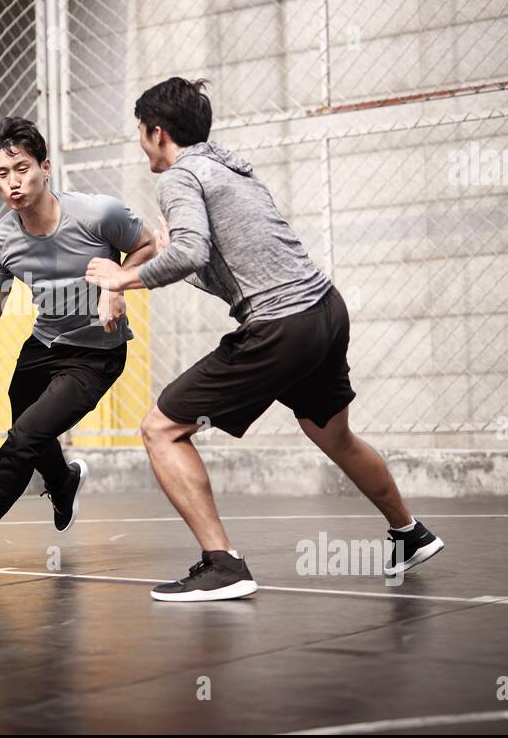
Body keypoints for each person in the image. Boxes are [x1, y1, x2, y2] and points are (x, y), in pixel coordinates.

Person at [86, 77, 444, 601]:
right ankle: (409, 532)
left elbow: (189, 253)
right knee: (332, 434)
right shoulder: (233, 169)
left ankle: (224, 566)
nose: (141, 144)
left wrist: (122, 278)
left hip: (280, 325)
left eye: (141, 133)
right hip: (324, 310)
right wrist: (174, 257)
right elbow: (215, 264)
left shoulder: (181, 177)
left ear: (157, 133)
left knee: (161, 429)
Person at [0, 116, 156, 575]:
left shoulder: (98, 213)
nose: (14, 182)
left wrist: (116, 286)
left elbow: (146, 245)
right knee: (29, 429)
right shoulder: (1, 242)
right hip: (43, 348)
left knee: (22, 439)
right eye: (2, 174)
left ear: (46, 167)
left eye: (22, 168)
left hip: (97, 354)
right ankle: (63, 482)